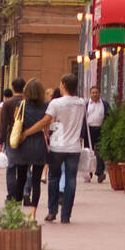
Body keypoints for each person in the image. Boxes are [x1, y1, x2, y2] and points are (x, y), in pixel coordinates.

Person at [22, 73, 89, 223]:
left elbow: (46, 121)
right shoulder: (81, 103)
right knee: (71, 180)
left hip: (58, 146)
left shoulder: (56, 103)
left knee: (53, 178)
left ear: (63, 84)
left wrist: (27, 132)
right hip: (74, 147)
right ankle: (66, 214)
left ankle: (52, 211)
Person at [5, 79, 48, 218]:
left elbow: (16, 121)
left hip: (23, 144)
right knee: (36, 180)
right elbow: (46, 128)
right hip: (38, 145)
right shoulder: (45, 106)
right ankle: (33, 212)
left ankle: (16, 209)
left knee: (21, 177)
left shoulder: (21, 104)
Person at [0, 78, 25, 200]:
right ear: (24, 87)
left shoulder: (7, 103)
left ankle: (11, 195)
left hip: (11, 138)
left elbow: (3, 123)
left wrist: (0, 140)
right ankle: (25, 192)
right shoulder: (27, 102)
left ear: (12, 87)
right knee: (25, 168)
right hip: (25, 137)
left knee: (11, 167)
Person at [85, 86, 110, 183]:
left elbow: (108, 116)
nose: (95, 94)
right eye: (93, 93)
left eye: (96, 92)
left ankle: (100, 173)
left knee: (100, 152)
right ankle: (88, 173)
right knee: (88, 152)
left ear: (99, 93)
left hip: (101, 130)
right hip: (89, 130)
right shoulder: (86, 105)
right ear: (90, 94)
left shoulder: (104, 104)